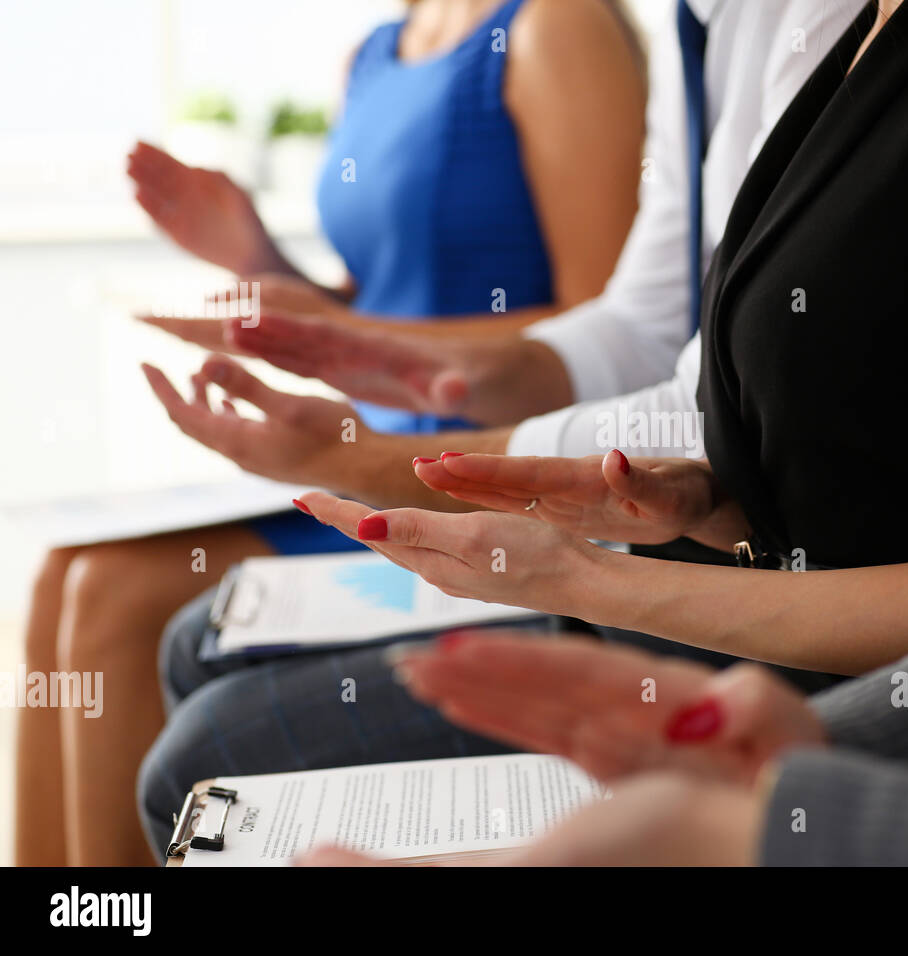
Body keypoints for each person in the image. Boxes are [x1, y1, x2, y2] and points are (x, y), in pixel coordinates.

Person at [138, 0, 908, 854]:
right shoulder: (851, 42)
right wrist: (707, 498)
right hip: (737, 625)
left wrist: (581, 575)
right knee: (195, 728)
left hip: (865, 707)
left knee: (200, 763)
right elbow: (841, 447)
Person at [17, 0, 646, 866]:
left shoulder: (558, 26)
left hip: (472, 479)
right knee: (61, 575)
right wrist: (258, 260)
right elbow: (380, 301)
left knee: (111, 601)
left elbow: (614, 325)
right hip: (357, 463)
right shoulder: (376, 54)